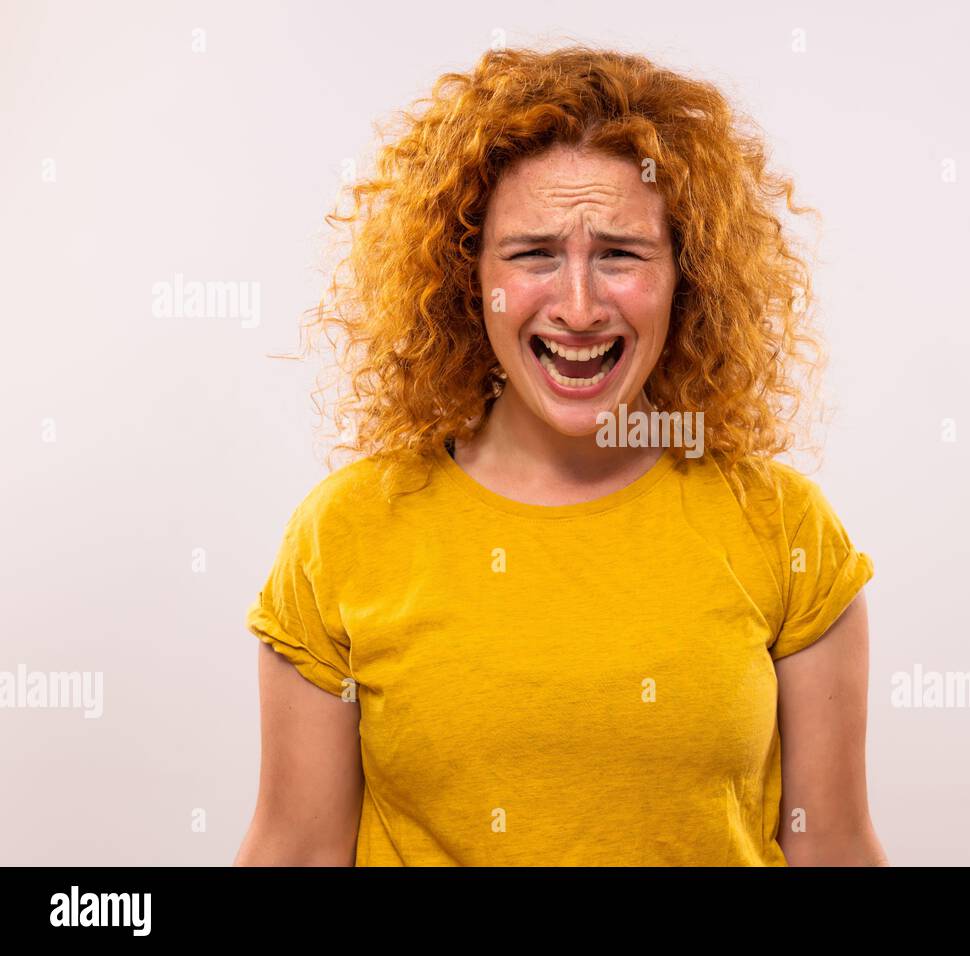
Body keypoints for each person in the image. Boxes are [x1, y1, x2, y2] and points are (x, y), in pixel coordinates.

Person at [234, 45, 887, 867]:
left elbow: (832, 846)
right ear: (465, 275)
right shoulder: (345, 535)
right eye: (533, 253)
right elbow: (296, 852)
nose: (578, 307)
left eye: (621, 253)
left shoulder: (784, 527)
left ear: (686, 275)